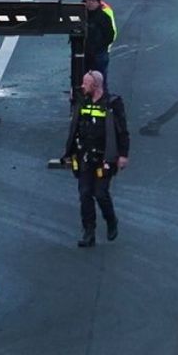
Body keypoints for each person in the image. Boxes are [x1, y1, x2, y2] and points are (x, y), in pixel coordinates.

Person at [62, 70, 130, 247]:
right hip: (84, 155)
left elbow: (122, 131)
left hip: (104, 158)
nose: (82, 86)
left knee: (100, 193)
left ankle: (111, 220)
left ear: (96, 86)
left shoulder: (112, 104)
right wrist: (69, 154)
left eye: (86, 83)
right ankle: (88, 232)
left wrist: (123, 155)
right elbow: (75, 123)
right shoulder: (82, 100)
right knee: (85, 194)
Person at [82, 0, 115, 86]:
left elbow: (110, 35)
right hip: (84, 53)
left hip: (99, 54)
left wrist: (100, 47)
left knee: (99, 80)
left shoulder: (104, 17)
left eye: (93, 1)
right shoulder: (82, 16)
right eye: (88, 0)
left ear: (98, 2)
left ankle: (101, 97)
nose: (90, 3)